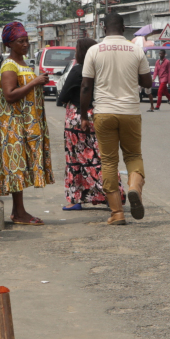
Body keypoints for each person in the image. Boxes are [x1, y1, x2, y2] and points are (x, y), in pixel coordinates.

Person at [81, 12, 152, 226]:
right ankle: (134, 187)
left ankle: (117, 213)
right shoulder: (136, 50)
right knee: (133, 155)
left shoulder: (94, 51)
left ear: (104, 29)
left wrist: (84, 115)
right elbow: (147, 83)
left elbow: (86, 86)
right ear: (123, 28)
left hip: (104, 112)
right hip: (130, 112)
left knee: (109, 161)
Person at [0, 21, 54, 226]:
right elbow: (9, 95)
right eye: (21, 41)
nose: (26, 44)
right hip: (13, 124)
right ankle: (19, 213)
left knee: (22, 165)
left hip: (25, 123)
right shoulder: (9, 65)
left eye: (27, 40)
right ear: (10, 44)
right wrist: (34, 82)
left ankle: (18, 211)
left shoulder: (23, 64)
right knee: (16, 166)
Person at [55, 38, 105, 211]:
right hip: (98, 114)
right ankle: (110, 195)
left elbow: (63, 96)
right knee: (98, 157)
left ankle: (76, 199)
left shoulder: (78, 70)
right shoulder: (101, 69)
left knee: (75, 159)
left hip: (77, 117)